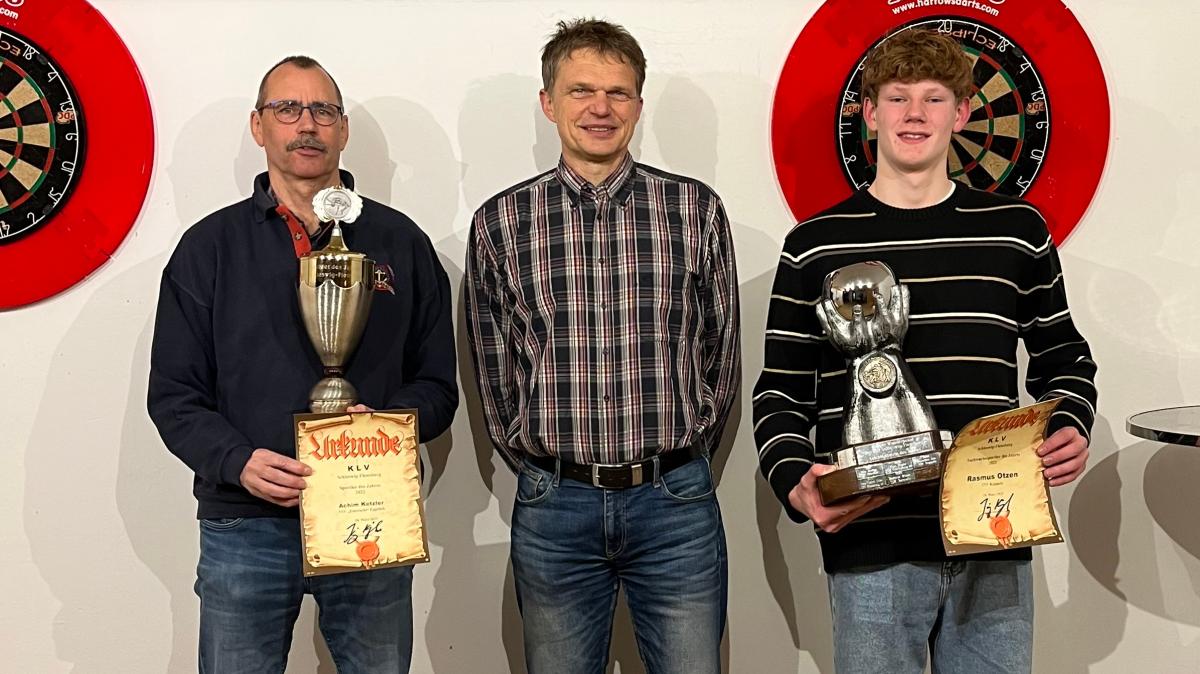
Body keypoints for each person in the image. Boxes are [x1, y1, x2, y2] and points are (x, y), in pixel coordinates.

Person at [752, 29, 1097, 674]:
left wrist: (1072, 423)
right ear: (869, 112)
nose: (915, 114)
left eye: (935, 98)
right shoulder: (814, 245)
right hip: (871, 541)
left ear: (963, 114)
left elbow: (1064, 357)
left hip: (994, 529)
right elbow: (779, 391)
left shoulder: (1016, 233)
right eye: (898, 97)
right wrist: (794, 483)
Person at [147, 55, 457, 673]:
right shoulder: (209, 249)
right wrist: (238, 462)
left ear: (343, 131)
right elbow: (174, 396)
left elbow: (439, 386)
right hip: (246, 525)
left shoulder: (400, 243)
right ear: (259, 128)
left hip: (369, 519)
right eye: (287, 109)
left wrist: (385, 427)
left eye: (323, 111)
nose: (306, 125)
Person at [464, 18, 740, 674]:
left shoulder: (695, 211)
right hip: (555, 507)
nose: (600, 108)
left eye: (618, 93)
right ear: (548, 102)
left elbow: (721, 354)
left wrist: (686, 454)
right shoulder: (500, 223)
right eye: (581, 89)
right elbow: (494, 369)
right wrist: (539, 466)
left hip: (674, 502)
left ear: (638, 107)